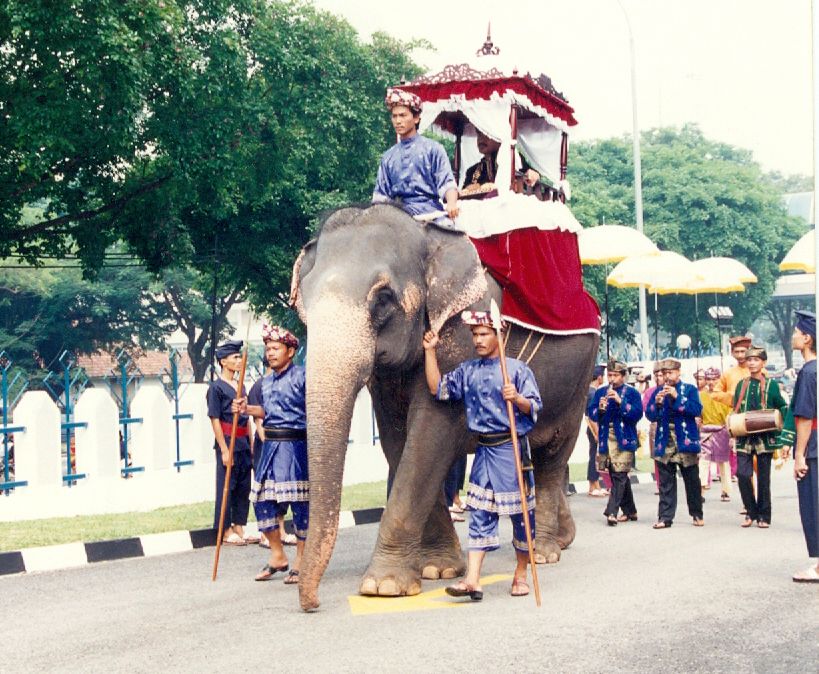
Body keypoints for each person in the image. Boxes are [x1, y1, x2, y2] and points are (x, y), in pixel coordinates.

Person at [424, 310, 542, 600]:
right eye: (475, 335)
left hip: (511, 449)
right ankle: (473, 579)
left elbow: (536, 407)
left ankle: (520, 574)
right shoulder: (468, 371)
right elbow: (437, 388)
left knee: (521, 516)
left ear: (498, 335)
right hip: (483, 452)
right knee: (479, 513)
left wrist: (518, 399)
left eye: (483, 334)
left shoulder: (516, 370)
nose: (477, 339)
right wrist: (430, 353)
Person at [241, 325, 308, 584]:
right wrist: (246, 408)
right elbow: (266, 411)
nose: (270, 353)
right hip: (269, 449)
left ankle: (302, 560)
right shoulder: (264, 382)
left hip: (296, 448)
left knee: (301, 506)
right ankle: (278, 556)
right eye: (268, 349)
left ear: (290, 351)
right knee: (262, 502)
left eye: (276, 348)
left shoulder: (303, 376)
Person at [372, 88, 460, 228]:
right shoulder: (388, 157)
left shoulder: (434, 149)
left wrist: (451, 204)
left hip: (431, 216)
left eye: (403, 115)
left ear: (416, 118)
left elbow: (447, 184)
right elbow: (380, 197)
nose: (398, 121)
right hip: (398, 219)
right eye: (394, 116)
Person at [730, 346, 788, 529]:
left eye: (756, 360)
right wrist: (733, 431)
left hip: (765, 438)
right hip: (744, 437)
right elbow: (736, 409)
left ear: (764, 363)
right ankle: (750, 511)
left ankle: (764, 515)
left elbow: (782, 407)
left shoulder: (771, 386)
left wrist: (782, 428)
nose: (752, 363)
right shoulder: (741, 384)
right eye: (749, 360)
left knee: (763, 478)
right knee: (742, 474)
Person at [780, 310, 818, 582]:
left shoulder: (808, 372)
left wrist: (799, 455)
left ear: (807, 338)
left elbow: (805, 417)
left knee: (814, 505)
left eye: (796, 332)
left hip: (814, 445)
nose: (793, 335)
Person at [248, 346, 298, 548]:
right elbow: (258, 422)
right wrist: (270, 444)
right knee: (266, 490)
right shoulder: (260, 386)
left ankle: (282, 529)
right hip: (267, 445)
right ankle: (266, 534)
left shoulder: (287, 383)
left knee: (283, 490)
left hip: (286, 444)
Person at [645, 358, 704, 529]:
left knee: (691, 479)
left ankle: (696, 513)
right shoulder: (658, 391)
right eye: (664, 374)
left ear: (679, 372)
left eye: (670, 373)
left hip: (684, 438)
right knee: (665, 482)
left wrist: (677, 397)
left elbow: (696, 410)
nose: (667, 377)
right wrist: (656, 403)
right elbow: (650, 415)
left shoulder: (690, 389)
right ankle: (665, 517)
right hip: (665, 439)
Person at [207, 339, 254, 546]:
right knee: (228, 485)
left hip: (243, 440)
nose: (239, 361)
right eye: (235, 357)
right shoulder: (216, 389)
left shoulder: (241, 385)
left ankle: (239, 527)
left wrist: (251, 444)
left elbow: (248, 418)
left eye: (239, 356)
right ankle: (225, 530)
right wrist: (224, 449)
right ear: (223, 361)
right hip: (228, 440)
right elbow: (215, 419)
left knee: (244, 486)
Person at [589, 359, 643, 525]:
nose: (611, 379)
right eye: (609, 375)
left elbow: (637, 414)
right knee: (616, 474)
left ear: (623, 376)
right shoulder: (600, 392)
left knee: (620, 475)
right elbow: (591, 413)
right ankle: (630, 511)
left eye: (615, 375)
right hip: (606, 437)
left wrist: (621, 402)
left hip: (624, 437)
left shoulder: (632, 393)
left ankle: (611, 511)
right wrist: (600, 408)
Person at [697, 367, 733, 502]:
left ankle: (726, 490)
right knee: (703, 461)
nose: (711, 382)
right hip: (705, 431)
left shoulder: (725, 395)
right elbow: (697, 413)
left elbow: (730, 414)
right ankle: (700, 489)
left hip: (722, 431)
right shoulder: (700, 395)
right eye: (709, 379)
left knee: (723, 462)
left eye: (714, 379)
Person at [461, 130, 540, 191]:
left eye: (487, 134)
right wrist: (471, 189)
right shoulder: (472, 170)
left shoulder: (512, 159)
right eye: (479, 134)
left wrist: (534, 175)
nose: (481, 139)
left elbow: (531, 174)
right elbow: (463, 193)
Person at [585, 364, 609, 497]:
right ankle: (592, 485)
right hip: (594, 428)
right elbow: (591, 416)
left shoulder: (590, 391)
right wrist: (597, 432)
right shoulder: (592, 393)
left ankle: (597, 485)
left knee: (597, 457)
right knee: (594, 456)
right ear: (599, 377)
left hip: (595, 428)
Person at [642, 362, 665, 495]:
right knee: (657, 457)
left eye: (661, 375)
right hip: (655, 425)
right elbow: (646, 408)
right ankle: (659, 484)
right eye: (656, 375)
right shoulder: (650, 392)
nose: (658, 378)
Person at [711, 335, 752, 407]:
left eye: (743, 351)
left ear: (749, 352)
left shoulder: (759, 371)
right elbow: (715, 394)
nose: (740, 355)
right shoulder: (728, 373)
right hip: (734, 412)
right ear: (732, 353)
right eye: (736, 352)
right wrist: (732, 397)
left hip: (755, 413)